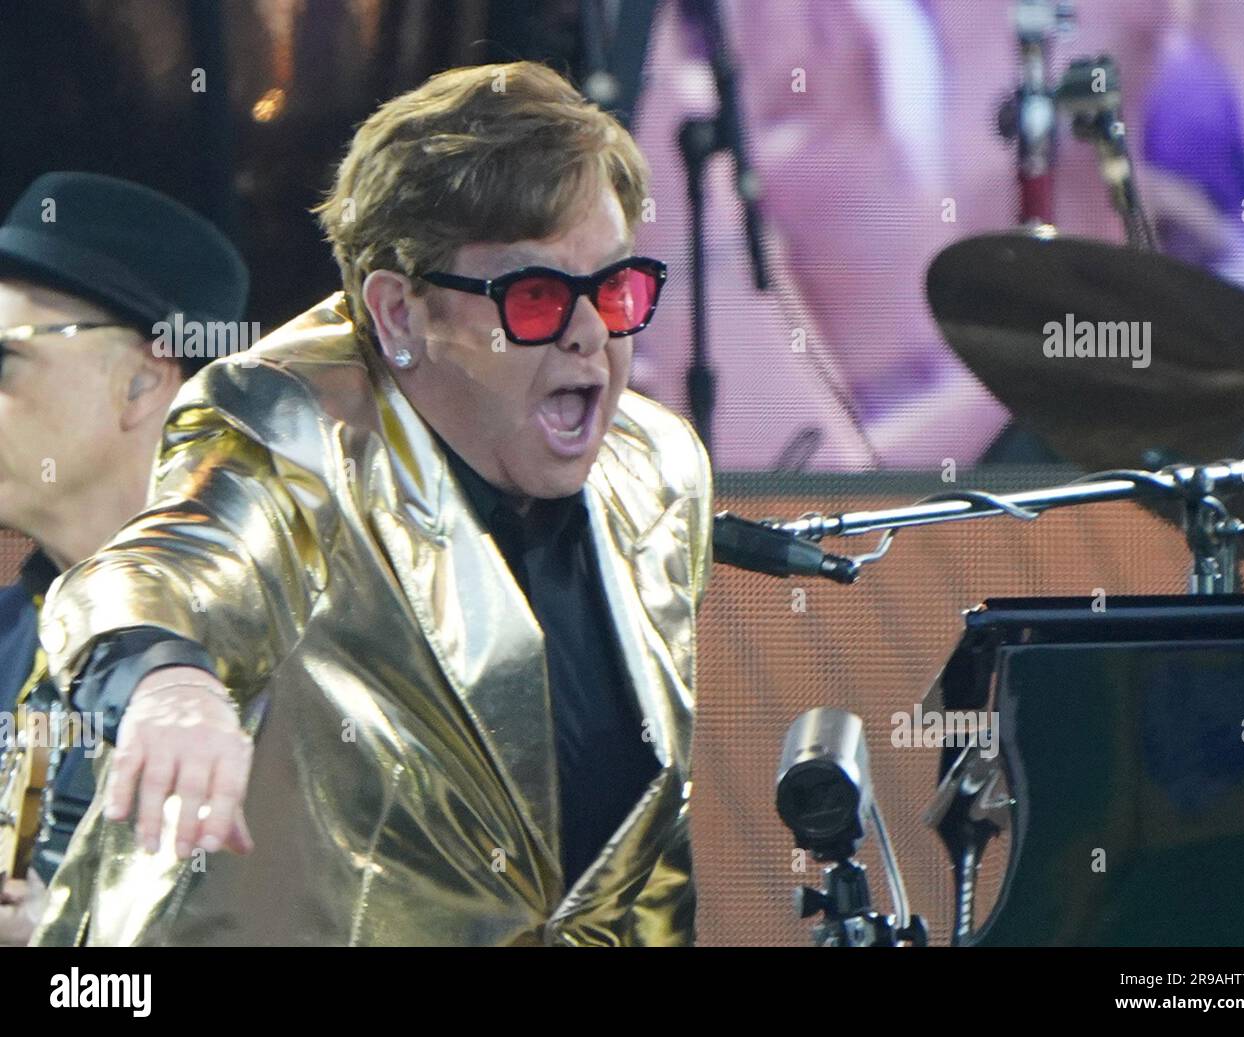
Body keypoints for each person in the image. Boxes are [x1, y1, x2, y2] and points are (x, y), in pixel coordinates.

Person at [33, 61, 712, 946]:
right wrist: (169, 683)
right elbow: (161, 567)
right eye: (537, 297)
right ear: (397, 314)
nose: (591, 332)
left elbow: (634, 858)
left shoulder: (656, 464)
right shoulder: (294, 425)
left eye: (617, 290)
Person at [0, 172, 249, 944]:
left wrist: (70, 951)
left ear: (143, 381)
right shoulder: (12, 629)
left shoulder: (277, 655)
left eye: (1, 359)